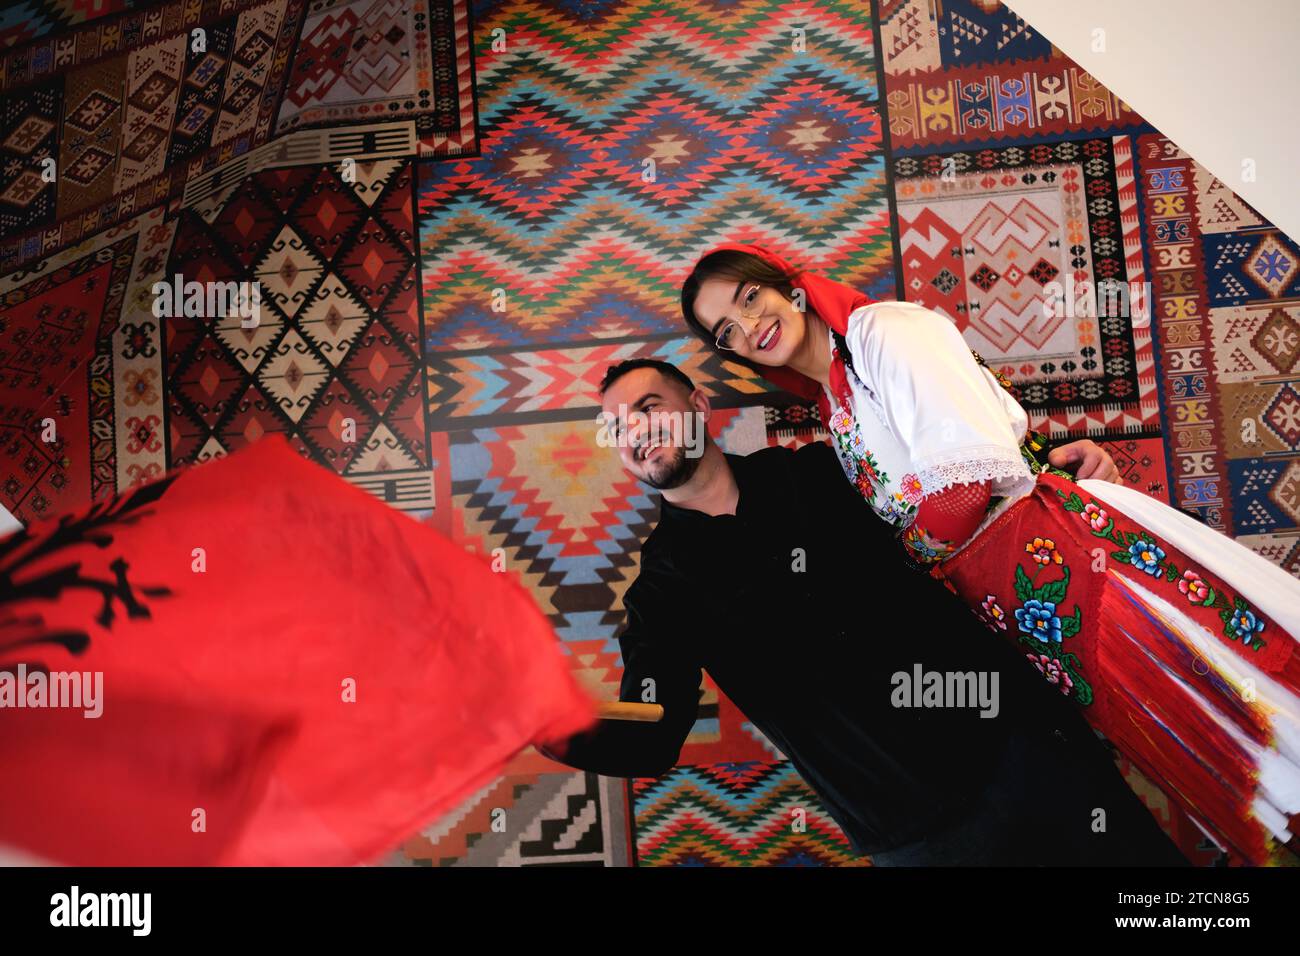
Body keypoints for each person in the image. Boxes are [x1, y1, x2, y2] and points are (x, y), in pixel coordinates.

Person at [679, 241, 1300, 865]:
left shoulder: (886, 333)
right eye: (726, 329)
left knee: (1224, 712)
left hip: (1067, 568)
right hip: (1022, 608)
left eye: (750, 296)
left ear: (789, 286)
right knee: (1184, 740)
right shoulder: (835, 404)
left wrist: (909, 571)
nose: (749, 325)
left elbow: (964, 488)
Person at [538, 358, 1189, 865]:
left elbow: (961, 494)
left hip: (1026, 749)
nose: (635, 433)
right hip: (923, 834)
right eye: (618, 429)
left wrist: (1056, 472)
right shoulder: (660, 593)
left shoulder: (823, 471)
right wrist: (535, 720)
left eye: (649, 408)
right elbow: (650, 731)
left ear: (698, 407)